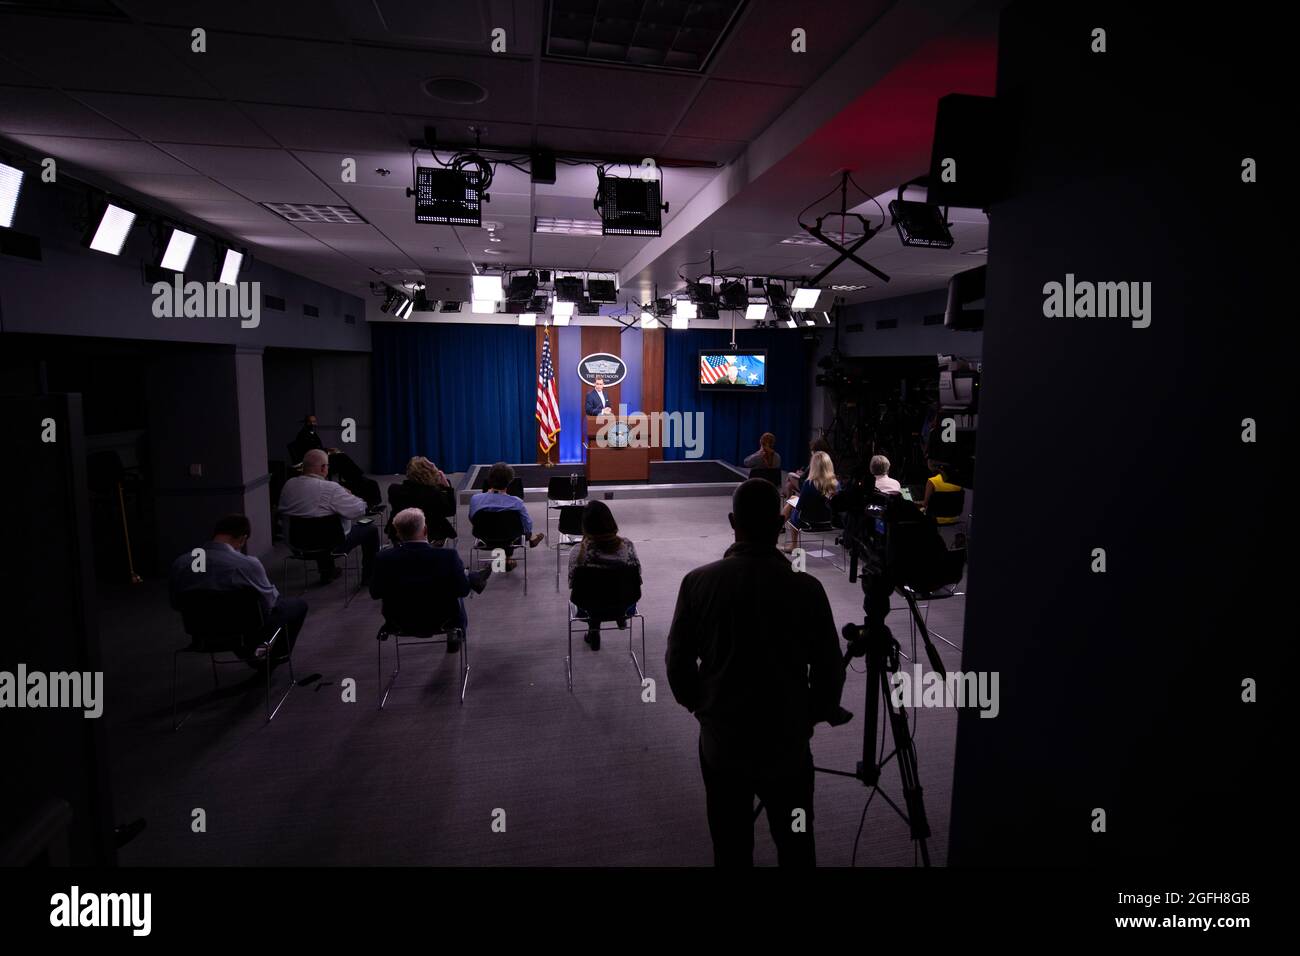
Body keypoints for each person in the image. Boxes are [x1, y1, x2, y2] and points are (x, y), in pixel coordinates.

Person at [666, 478, 845, 867]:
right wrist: (806, 717)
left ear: (733, 522)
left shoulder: (697, 583)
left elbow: (678, 668)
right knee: (797, 845)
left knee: (730, 847)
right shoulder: (808, 589)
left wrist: (705, 709)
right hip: (788, 745)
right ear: (781, 525)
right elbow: (831, 673)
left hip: (722, 745)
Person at [169, 514, 308, 667]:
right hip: (243, 633)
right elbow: (271, 603)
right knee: (296, 605)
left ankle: (257, 657)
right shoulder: (245, 564)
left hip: (201, 635)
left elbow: (175, 603)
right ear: (243, 538)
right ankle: (271, 658)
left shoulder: (181, 563)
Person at [369, 508, 488, 652]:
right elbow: (462, 591)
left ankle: (473, 576)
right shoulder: (448, 556)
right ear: (425, 530)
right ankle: (473, 578)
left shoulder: (383, 558)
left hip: (399, 621)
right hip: (443, 619)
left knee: (456, 582)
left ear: (398, 534)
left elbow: (375, 593)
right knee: (457, 586)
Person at [278, 448, 380, 583]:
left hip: (295, 543)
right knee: (370, 529)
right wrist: (348, 495)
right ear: (323, 468)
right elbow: (358, 509)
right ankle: (370, 579)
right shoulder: (331, 488)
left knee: (319, 520)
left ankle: (327, 571)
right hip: (329, 544)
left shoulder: (288, 484)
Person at [568, 500, 641, 651]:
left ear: (585, 526)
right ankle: (619, 617)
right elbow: (638, 577)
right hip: (625, 604)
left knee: (591, 597)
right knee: (612, 592)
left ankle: (594, 628)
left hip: (587, 608)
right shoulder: (627, 546)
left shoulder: (577, 552)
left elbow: (572, 583)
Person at [468, 462, 544, 572]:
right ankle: (508, 559)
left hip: (484, 537)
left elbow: (472, 518)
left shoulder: (476, 499)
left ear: (489, 479)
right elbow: (528, 526)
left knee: (501, 529)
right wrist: (528, 534)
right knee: (513, 530)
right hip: (511, 538)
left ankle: (506, 560)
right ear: (510, 482)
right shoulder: (516, 502)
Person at [387, 456, 456, 545]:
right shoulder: (435, 493)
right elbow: (450, 511)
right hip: (431, 535)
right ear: (429, 473)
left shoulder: (394, 490)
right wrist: (447, 487)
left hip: (400, 533)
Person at [783, 450, 839, 553]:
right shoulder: (836, 484)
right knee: (792, 500)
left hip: (808, 521)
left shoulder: (809, 484)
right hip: (830, 521)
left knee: (791, 505)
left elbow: (800, 507)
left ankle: (789, 541)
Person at [921, 459, 963, 524]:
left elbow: (925, 504)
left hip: (935, 520)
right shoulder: (959, 481)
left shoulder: (932, 481)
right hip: (954, 519)